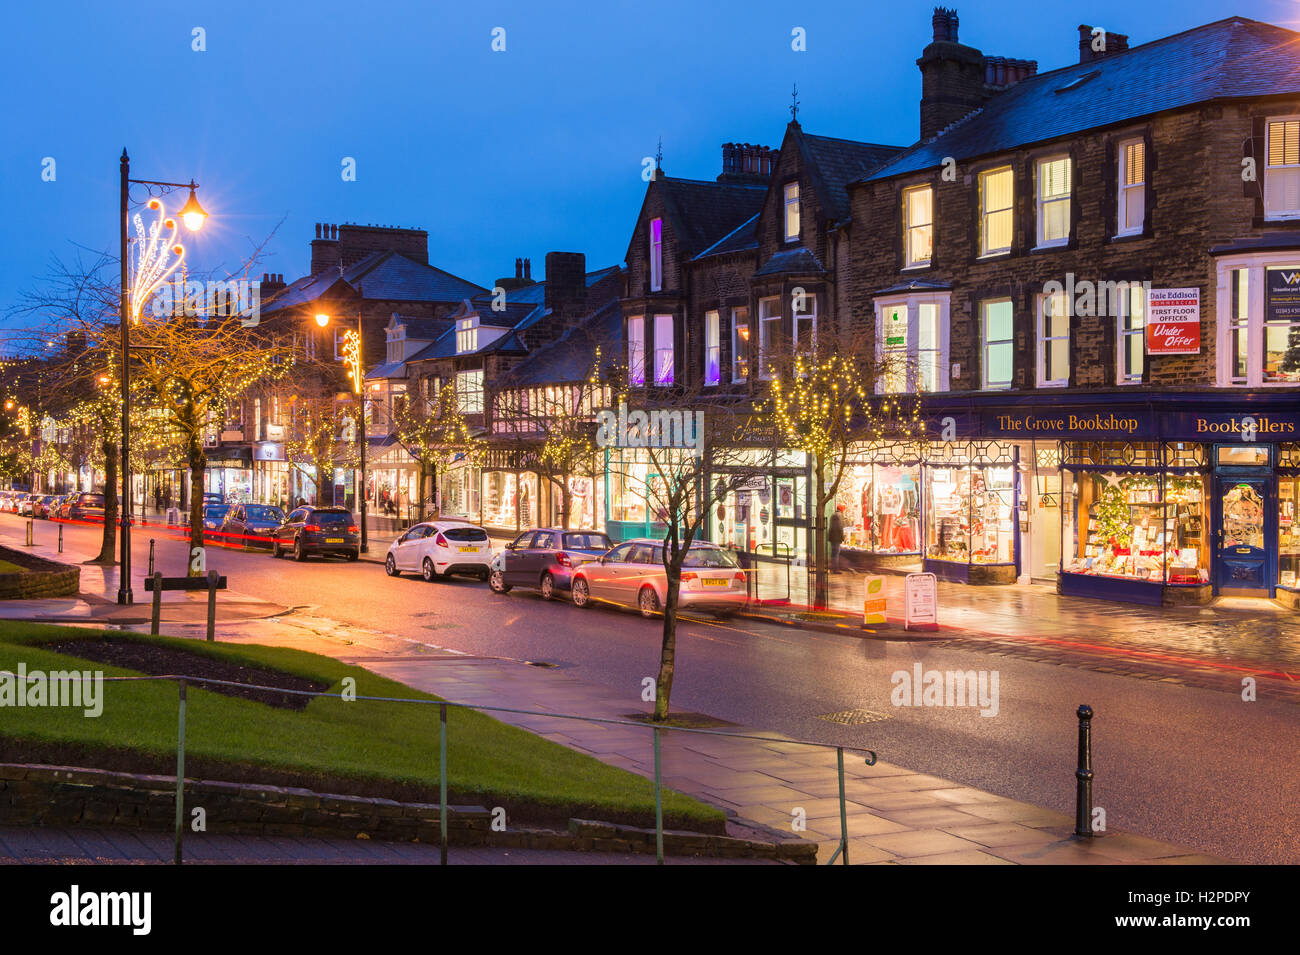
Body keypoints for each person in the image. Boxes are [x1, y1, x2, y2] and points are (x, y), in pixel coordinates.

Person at [829, 504, 846, 573]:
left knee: (833, 553)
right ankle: (835, 569)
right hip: (836, 537)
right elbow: (840, 527)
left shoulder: (833, 515)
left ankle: (832, 568)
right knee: (836, 553)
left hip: (832, 536)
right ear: (842, 509)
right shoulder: (840, 515)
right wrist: (842, 537)